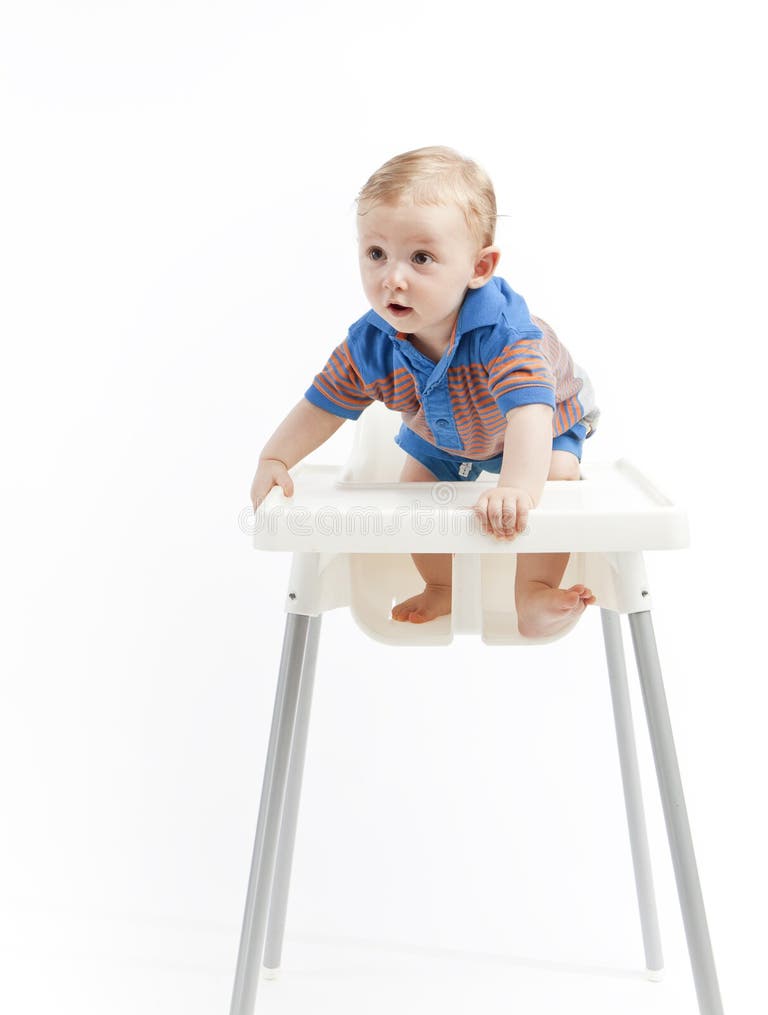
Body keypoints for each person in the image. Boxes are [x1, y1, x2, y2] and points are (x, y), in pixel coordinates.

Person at [250, 146, 599, 638]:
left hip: (543, 420)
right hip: (446, 432)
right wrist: (276, 458)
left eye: (421, 258)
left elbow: (529, 414)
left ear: (479, 268)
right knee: (416, 488)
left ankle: (534, 589)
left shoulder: (504, 332)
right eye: (376, 254)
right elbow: (321, 406)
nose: (393, 277)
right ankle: (442, 584)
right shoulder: (370, 342)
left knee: (558, 475)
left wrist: (517, 489)